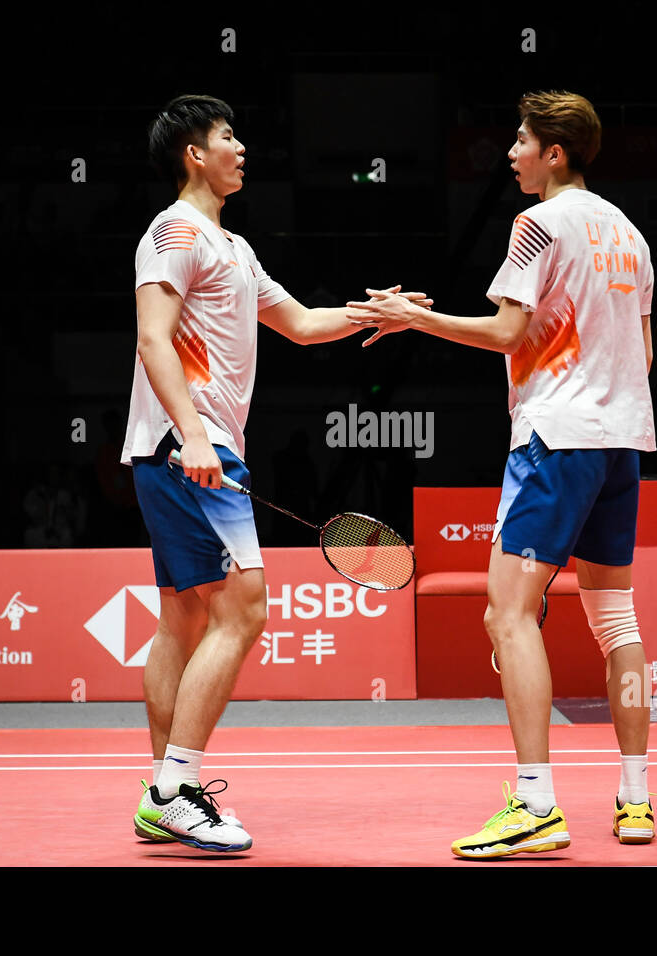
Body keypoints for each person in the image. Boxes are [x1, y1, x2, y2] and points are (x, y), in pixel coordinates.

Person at [347, 90, 656, 858]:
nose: (510, 154)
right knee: (616, 621)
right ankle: (637, 798)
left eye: (520, 142)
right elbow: (643, 357)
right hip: (622, 441)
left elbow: (506, 332)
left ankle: (536, 804)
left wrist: (414, 318)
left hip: (555, 439)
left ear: (555, 152)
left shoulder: (538, 223)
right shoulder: (631, 234)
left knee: (506, 615)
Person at [124, 93, 428, 852]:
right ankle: (175, 790)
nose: (241, 148)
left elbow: (299, 323)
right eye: (228, 137)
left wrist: (378, 314)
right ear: (195, 154)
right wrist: (193, 436)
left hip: (184, 446)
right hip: (188, 446)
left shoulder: (235, 249)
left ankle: (159, 786)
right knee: (247, 608)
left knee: (184, 617)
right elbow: (153, 340)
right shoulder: (174, 232)